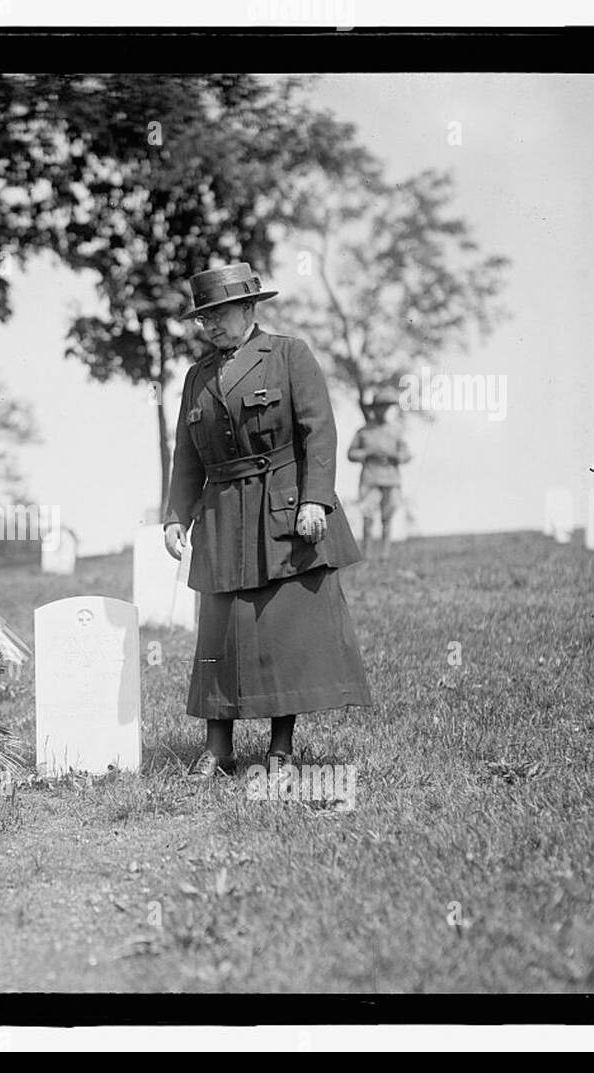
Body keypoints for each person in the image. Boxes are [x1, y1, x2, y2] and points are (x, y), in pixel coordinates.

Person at [162, 263, 372, 779]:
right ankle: (217, 750)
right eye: (202, 318)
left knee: (284, 630)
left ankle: (281, 749)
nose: (210, 326)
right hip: (221, 517)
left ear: (250, 309)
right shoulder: (196, 377)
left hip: (282, 509)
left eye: (219, 314)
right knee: (219, 635)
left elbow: (319, 432)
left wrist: (314, 501)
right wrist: (175, 517)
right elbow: (186, 456)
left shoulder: (289, 354)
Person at [347, 386, 412, 558]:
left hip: (391, 480)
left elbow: (407, 454)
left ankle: (385, 555)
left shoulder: (396, 430)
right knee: (367, 518)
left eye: (387, 406)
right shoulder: (363, 431)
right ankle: (366, 555)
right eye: (381, 406)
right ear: (374, 408)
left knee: (388, 517)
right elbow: (351, 454)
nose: (384, 409)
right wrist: (368, 454)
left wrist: (395, 456)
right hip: (370, 479)